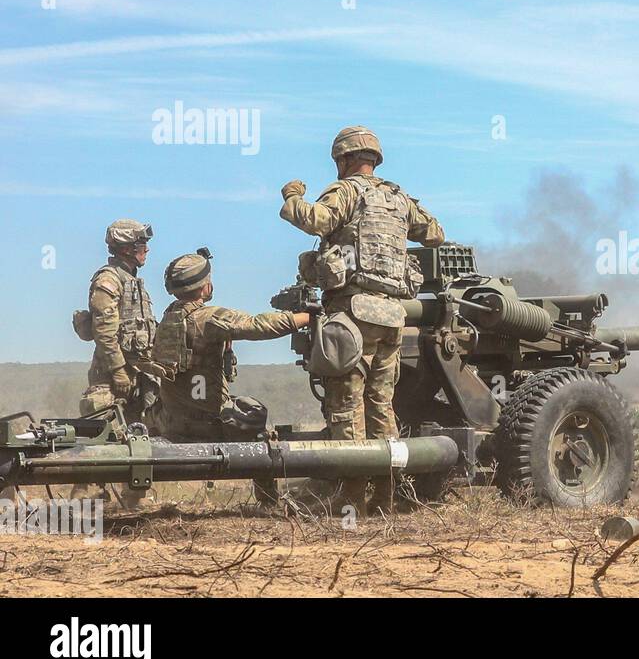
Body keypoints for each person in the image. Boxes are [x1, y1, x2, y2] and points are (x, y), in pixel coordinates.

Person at [278, 125, 444, 514]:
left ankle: (352, 498)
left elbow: (313, 220)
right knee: (382, 405)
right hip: (393, 316)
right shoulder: (398, 197)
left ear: (345, 159)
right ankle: (384, 498)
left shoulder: (347, 191)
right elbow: (434, 233)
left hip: (353, 314)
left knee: (346, 404)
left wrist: (292, 195)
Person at [146, 248, 310, 506]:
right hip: (207, 425)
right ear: (204, 287)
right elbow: (259, 326)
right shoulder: (210, 319)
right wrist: (306, 317)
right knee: (257, 421)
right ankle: (268, 504)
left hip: (171, 421)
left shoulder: (167, 319)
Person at [78, 219, 158, 420]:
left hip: (138, 378)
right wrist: (118, 370)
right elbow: (104, 333)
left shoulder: (132, 281)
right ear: (126, 249)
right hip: (112, 381)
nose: (146, 250)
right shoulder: (108, 280)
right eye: (141, 245)